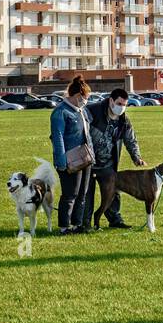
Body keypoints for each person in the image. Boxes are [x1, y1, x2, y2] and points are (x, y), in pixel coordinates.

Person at [86, 88, 145, 229]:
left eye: (124, 105)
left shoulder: (123, 121)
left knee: (113, 191)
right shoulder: (92, 111)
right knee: (86, 194)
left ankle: (115, 220)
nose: (122, 108)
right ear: (111, 101)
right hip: (87, 162)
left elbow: (131, 140)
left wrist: (136, 157)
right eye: (119, 103)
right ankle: (85, 222)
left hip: (108, 163)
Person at [50, 74, 95, 235]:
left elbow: (87, 134)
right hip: (70, 160)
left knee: (82, 193)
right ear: (77, 96)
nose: (86, 101)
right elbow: (58, 138)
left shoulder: (82, 111)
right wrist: (61, 162)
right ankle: (64, 226)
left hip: (86, 158)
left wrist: (92, 156)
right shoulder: (60, 113)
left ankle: (77, 224)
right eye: (85, 97)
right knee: (70, 194)